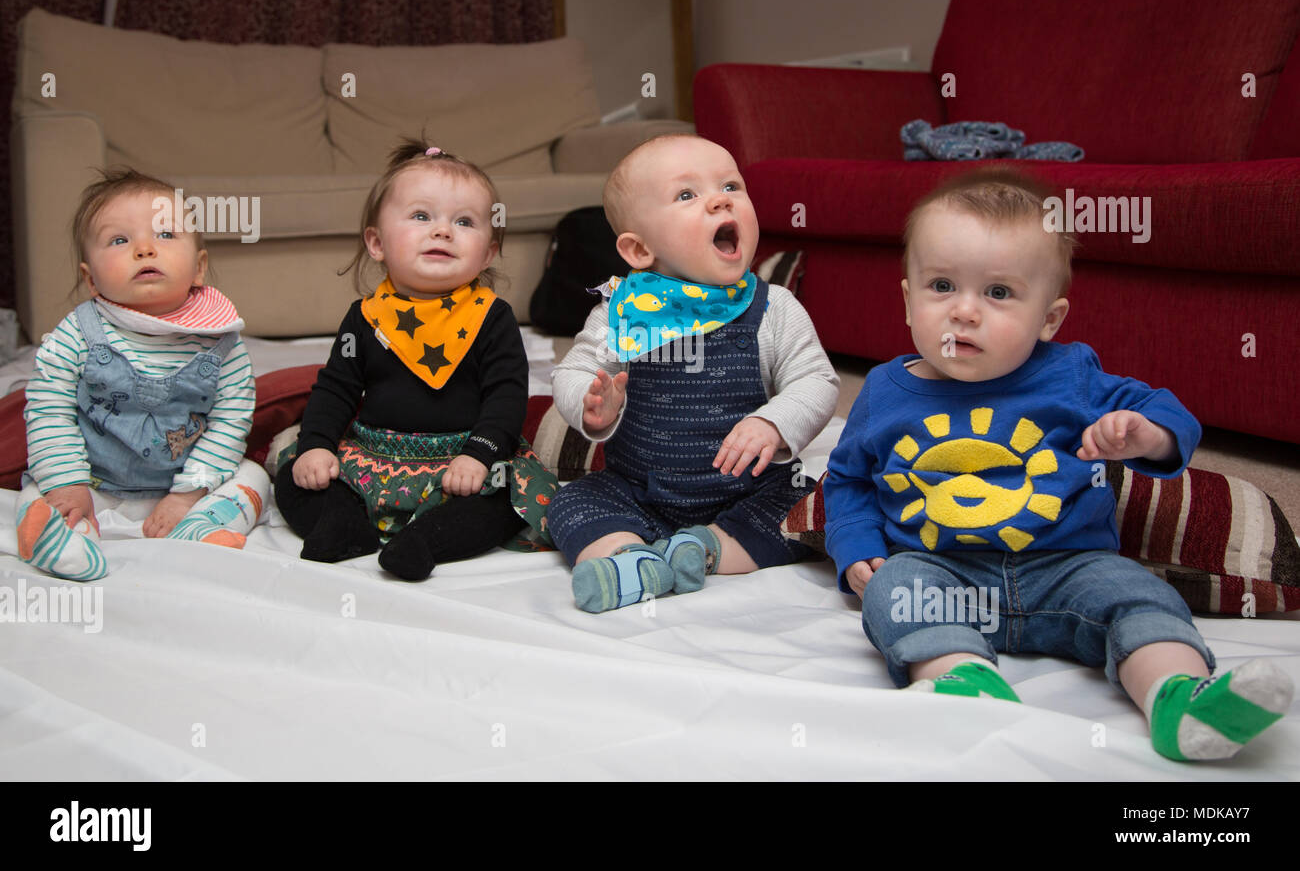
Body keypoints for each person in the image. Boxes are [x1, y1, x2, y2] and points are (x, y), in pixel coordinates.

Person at [824, 168, 1292, 761]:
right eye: (941, 285)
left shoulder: (1071, 375)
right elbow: (847, 479)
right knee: (895, 590)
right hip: (943, 569)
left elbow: (1169, 416)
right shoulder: (884, 391)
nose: (964, 312)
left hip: (1070, 566)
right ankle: (961, 683)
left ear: (1049, 319)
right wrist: (855, 544)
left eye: (998, 293)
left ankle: (1179, 697)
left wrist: (1144, 436)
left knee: (1139, 596)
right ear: (908, 300)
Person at [549, 134, 839, 613]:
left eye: (731, 185)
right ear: (640, 250)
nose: (720, 198)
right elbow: (576, 368)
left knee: (809, 510)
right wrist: (590, 402)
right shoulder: (622, 313)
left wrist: (774, 421)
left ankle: (706, 548)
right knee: (572, 501)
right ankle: (627, 558)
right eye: (687, 195)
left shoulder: (774, 309)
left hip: (751, 489)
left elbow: (817, 381)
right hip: (639, 489)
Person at [273, 141, 556, 581]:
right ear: (376, 242)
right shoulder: (366, 317)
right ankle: (345, 526)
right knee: (295, 477)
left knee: (507, 500)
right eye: (422, 216)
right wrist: (317, 446)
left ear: (487, 253)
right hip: (373, 456)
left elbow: (506, 394)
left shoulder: (491, 317)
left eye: (464, 221)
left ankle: (428, 540)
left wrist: (479, 456)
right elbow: (336, 388)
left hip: (462, 463)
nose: (443, 231)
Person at [18, 168, 268, 580]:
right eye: (120, 240)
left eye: (166, 235)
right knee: (39, 488)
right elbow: (48, 410)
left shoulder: (221, 341)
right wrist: (66, 483)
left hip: (181, 484)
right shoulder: (77, 333)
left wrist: (187, 495)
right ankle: (62, 534)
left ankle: (201, 525)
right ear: (90, 278)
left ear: (199, 267)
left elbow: (230, 422)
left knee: (253, 476)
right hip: (95, 482)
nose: (145, 249)